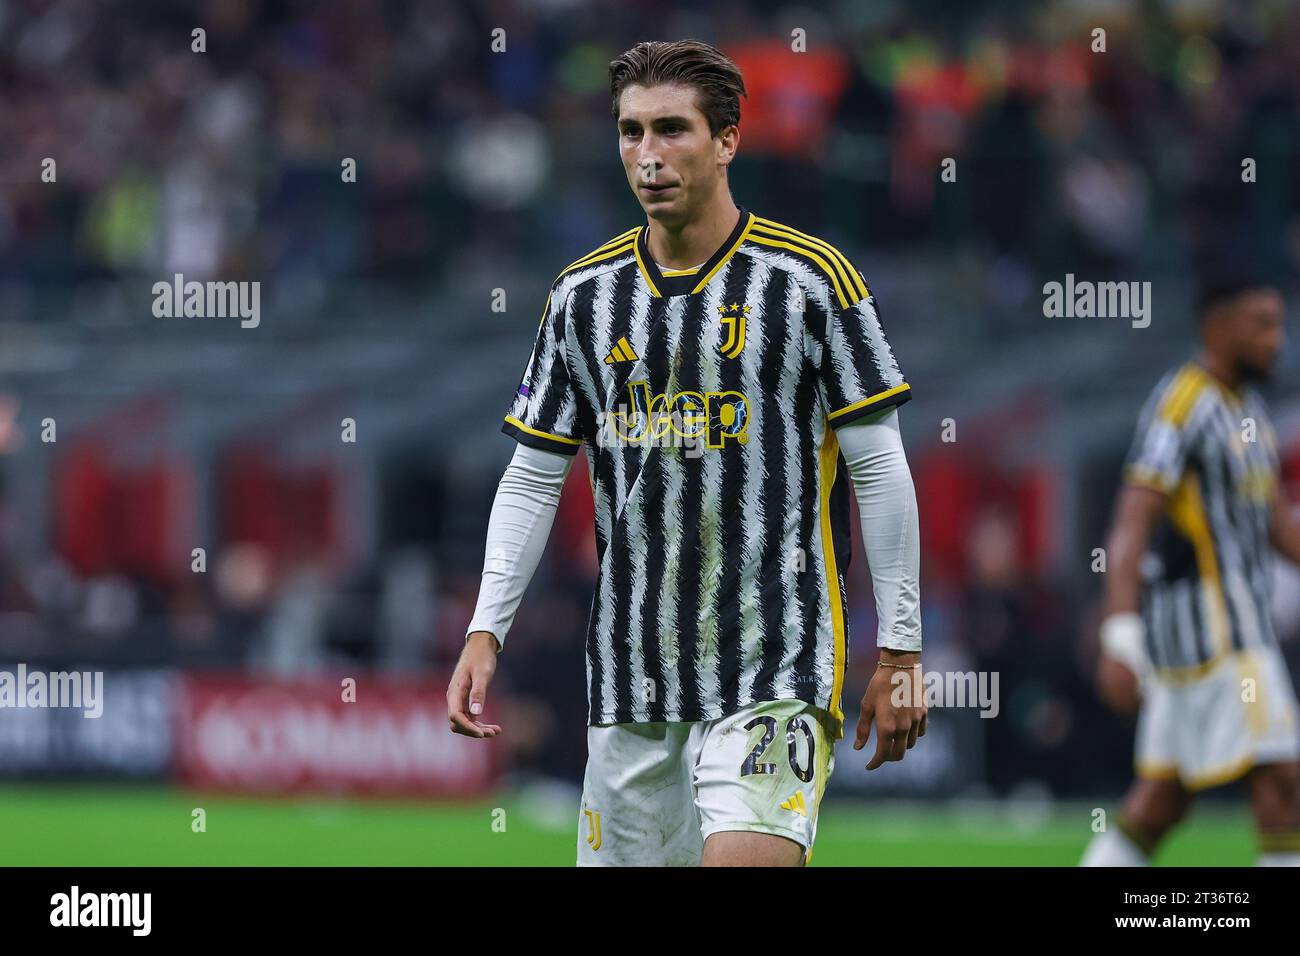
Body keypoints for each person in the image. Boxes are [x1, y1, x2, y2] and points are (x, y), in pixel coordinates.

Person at [449, 39, 924, 867]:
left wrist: (903, 646)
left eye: (672, 130)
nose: (648, 155)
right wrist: (485, 629)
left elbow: (880, 468)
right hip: (634, 675)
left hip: (774, 661)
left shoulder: (813, 282)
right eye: (631, 132)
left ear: (729, 139)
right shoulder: (582, 299)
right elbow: (533, 475)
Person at [1083, 277, 1300, 866]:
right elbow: (1131, 522)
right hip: (1219, 633)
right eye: (1262, 324)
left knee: (1162, 801)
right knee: (1285, 781)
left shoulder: (1250, 412)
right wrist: (1119, 635)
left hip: (1223, 636)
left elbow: (1280, 528)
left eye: (1279, 323)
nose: (1277, 340)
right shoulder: (1184, 402)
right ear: (1217, 327)